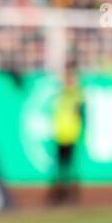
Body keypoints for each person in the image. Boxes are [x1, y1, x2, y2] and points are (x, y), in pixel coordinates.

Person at [48, 65, 85, 205]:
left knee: (69, 165)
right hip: (60, 134)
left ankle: (69, 193)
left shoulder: (76, 94)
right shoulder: (61, 93)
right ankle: (61, 193)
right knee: (60, 165)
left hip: (71, 134)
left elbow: (81, 113)